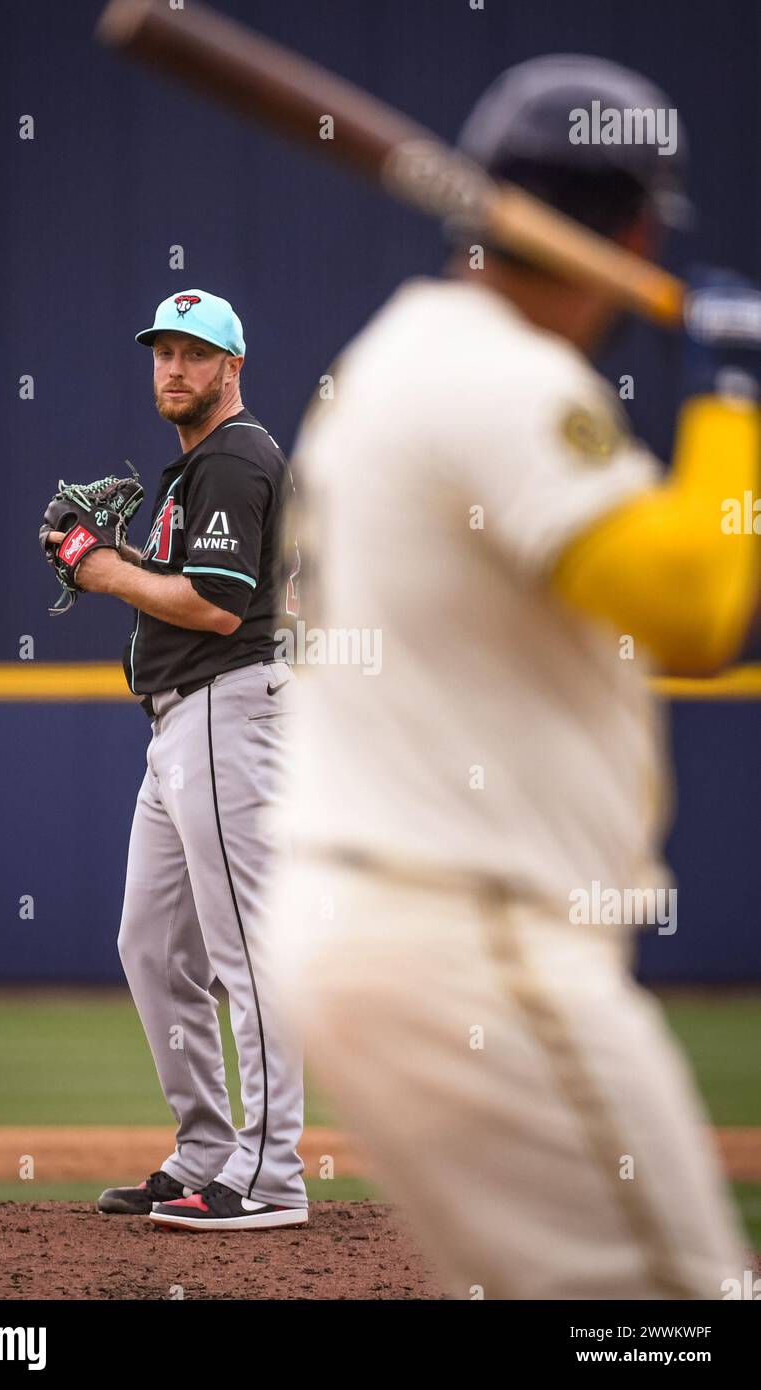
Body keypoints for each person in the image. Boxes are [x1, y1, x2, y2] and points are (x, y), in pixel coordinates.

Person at [265, 57, 761, 1294]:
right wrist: (732, 397)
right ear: (637, 228)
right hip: (467, 935)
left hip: (391, 921)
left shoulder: (405, 356)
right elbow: (695, 610)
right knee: (678, 1309)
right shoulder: (491, 370)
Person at [50, 288, 308, 1230]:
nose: (174, 368)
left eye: (195, 354)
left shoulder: (237, 457)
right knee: (152, 946)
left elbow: (214, 606)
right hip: (177, 727)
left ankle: (272, 1176)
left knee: (244, 949)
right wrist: (114, 555)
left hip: (223, 709)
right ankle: (205, 1151)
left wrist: (98, 565)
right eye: (163, 352)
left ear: (233, 368)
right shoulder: (193, 468)